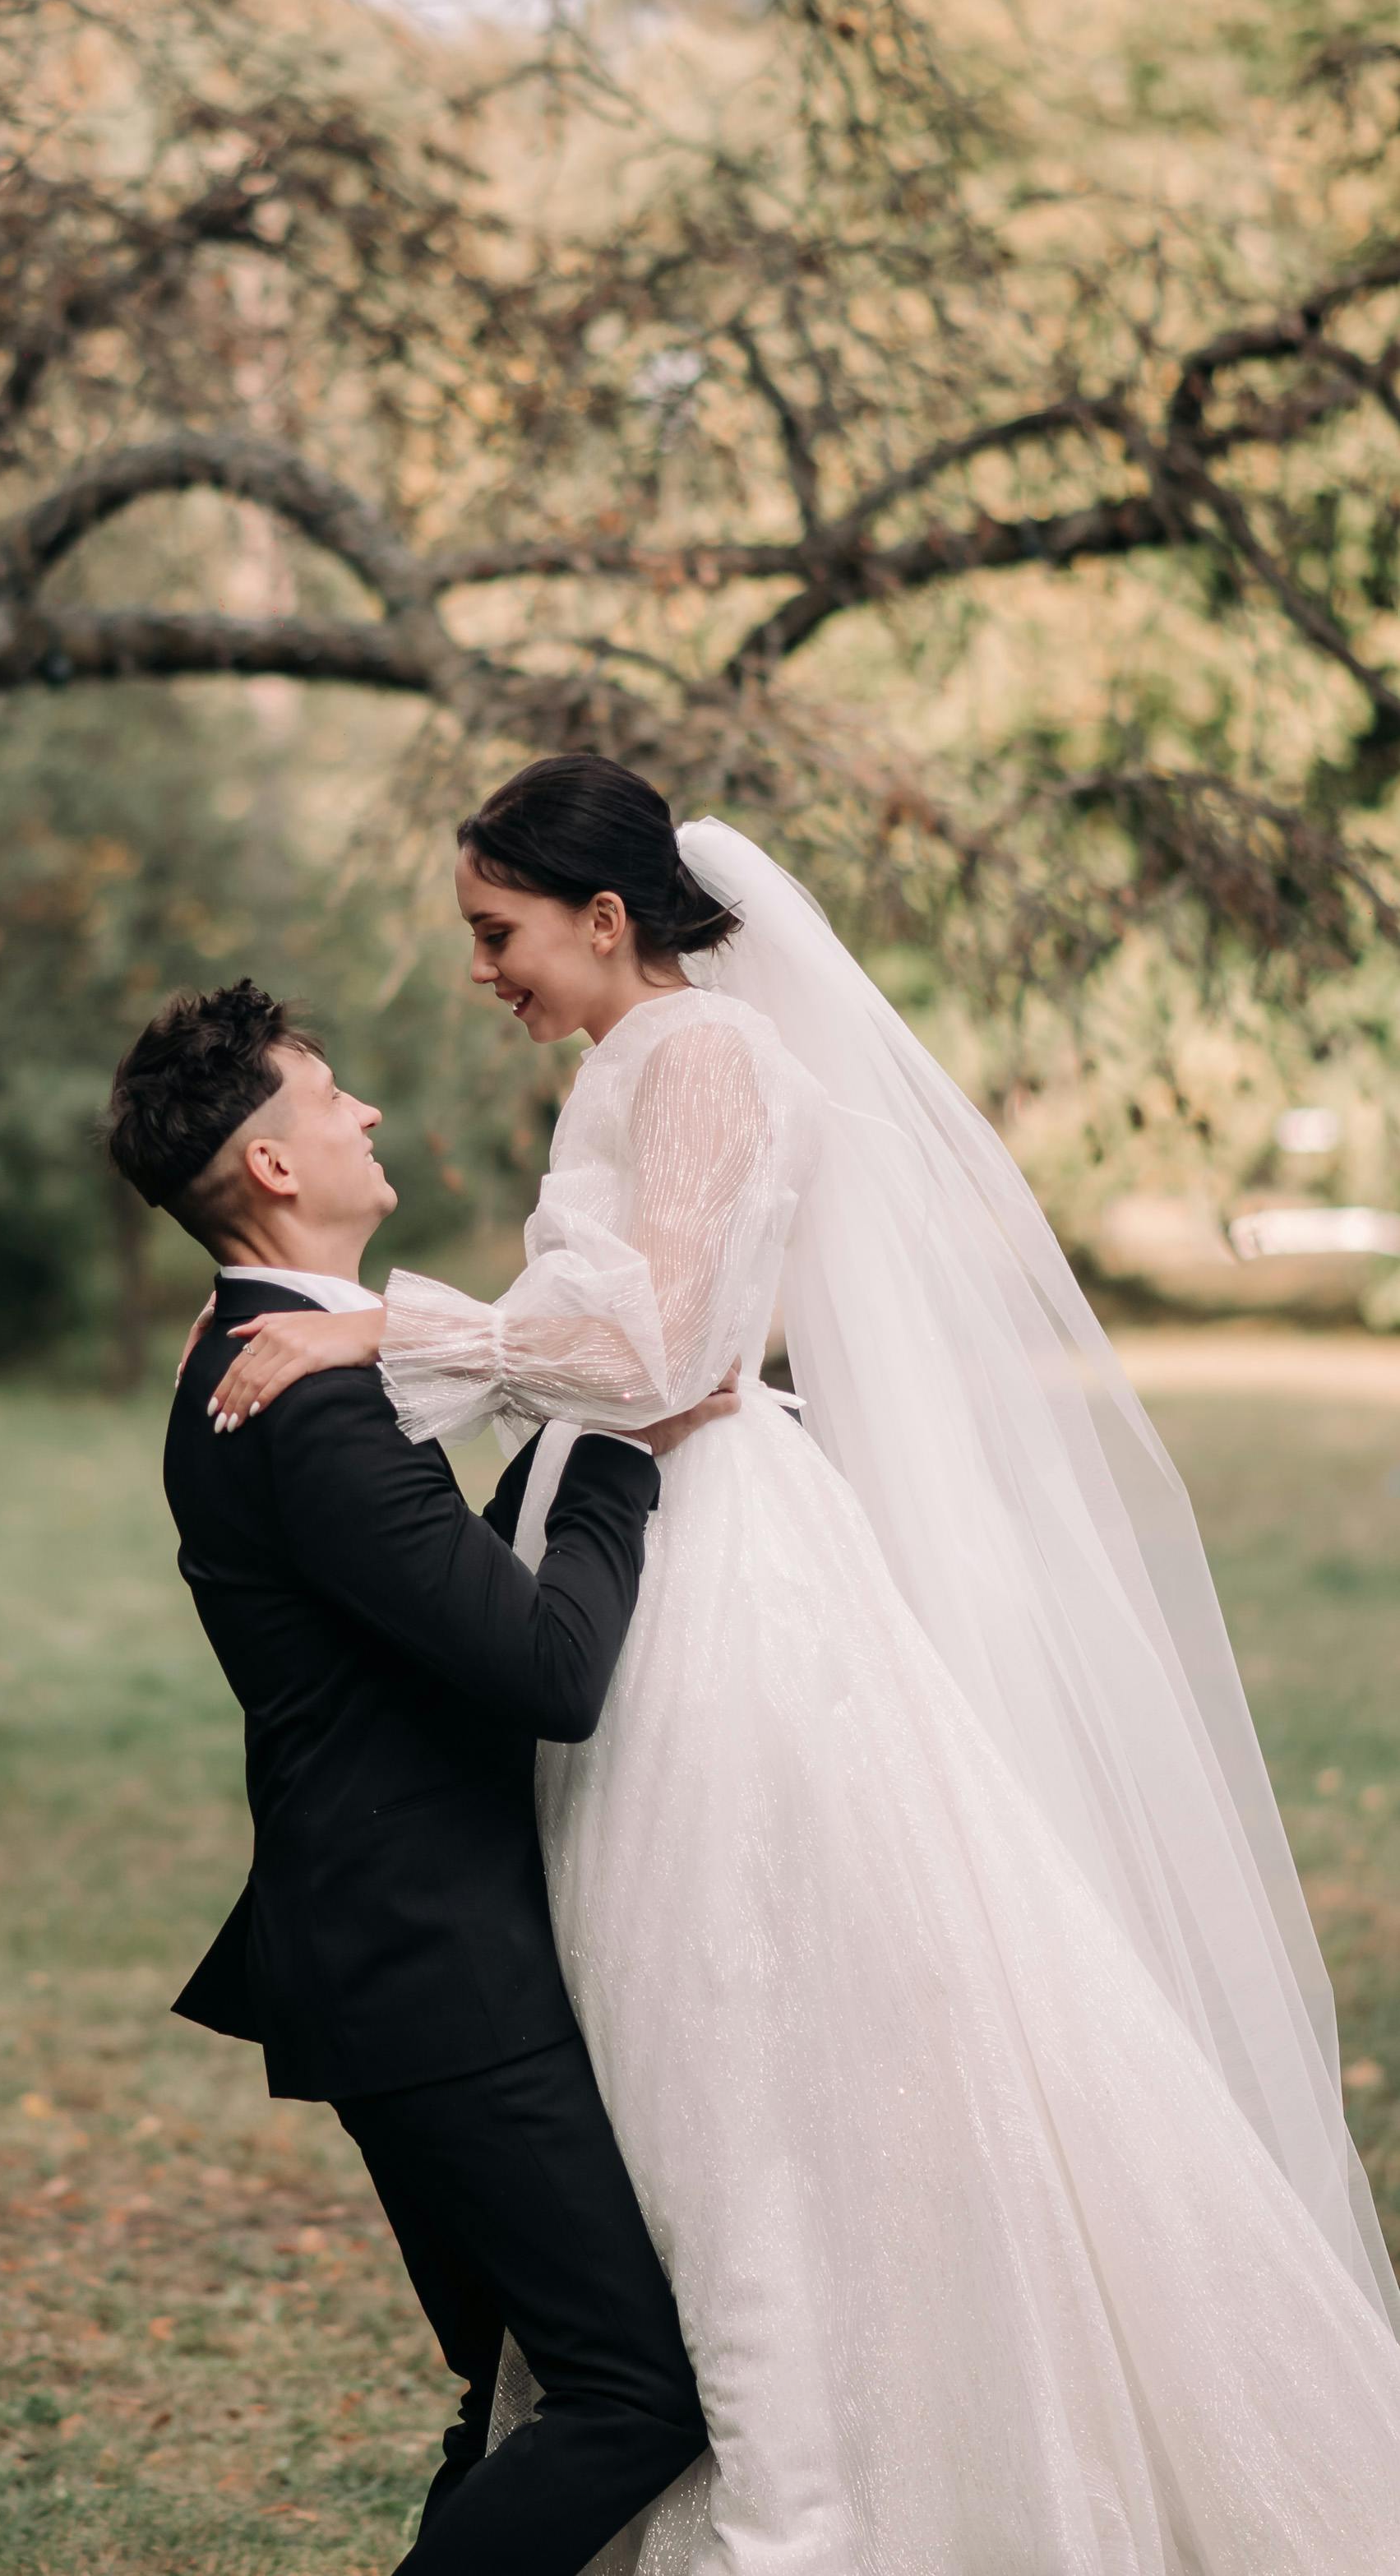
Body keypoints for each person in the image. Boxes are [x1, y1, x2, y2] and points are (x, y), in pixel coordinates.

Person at [205, 754, 1400, 2575]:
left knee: (744, 1993)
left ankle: (817, 2474)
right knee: (664, 1996)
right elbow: (620, 1345)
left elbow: (664, 1337)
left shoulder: (700, 1054)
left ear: (604, 917)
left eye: (496, 931)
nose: (482, 970)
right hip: (622, 1518)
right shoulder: (631, 1063)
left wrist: (385, 1331)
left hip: (713, 1560)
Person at [104, 979, 737, 2575]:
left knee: (516, 2381)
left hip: (382, 1938)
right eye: (327, 1096)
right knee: (625, 2389)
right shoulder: (300, 1396)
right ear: (267, 1163)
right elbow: (545, 1670)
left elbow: (427, 1579)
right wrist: (618, 1441)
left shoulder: (259, 1349)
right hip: (427, 1960)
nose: (363, 1112)